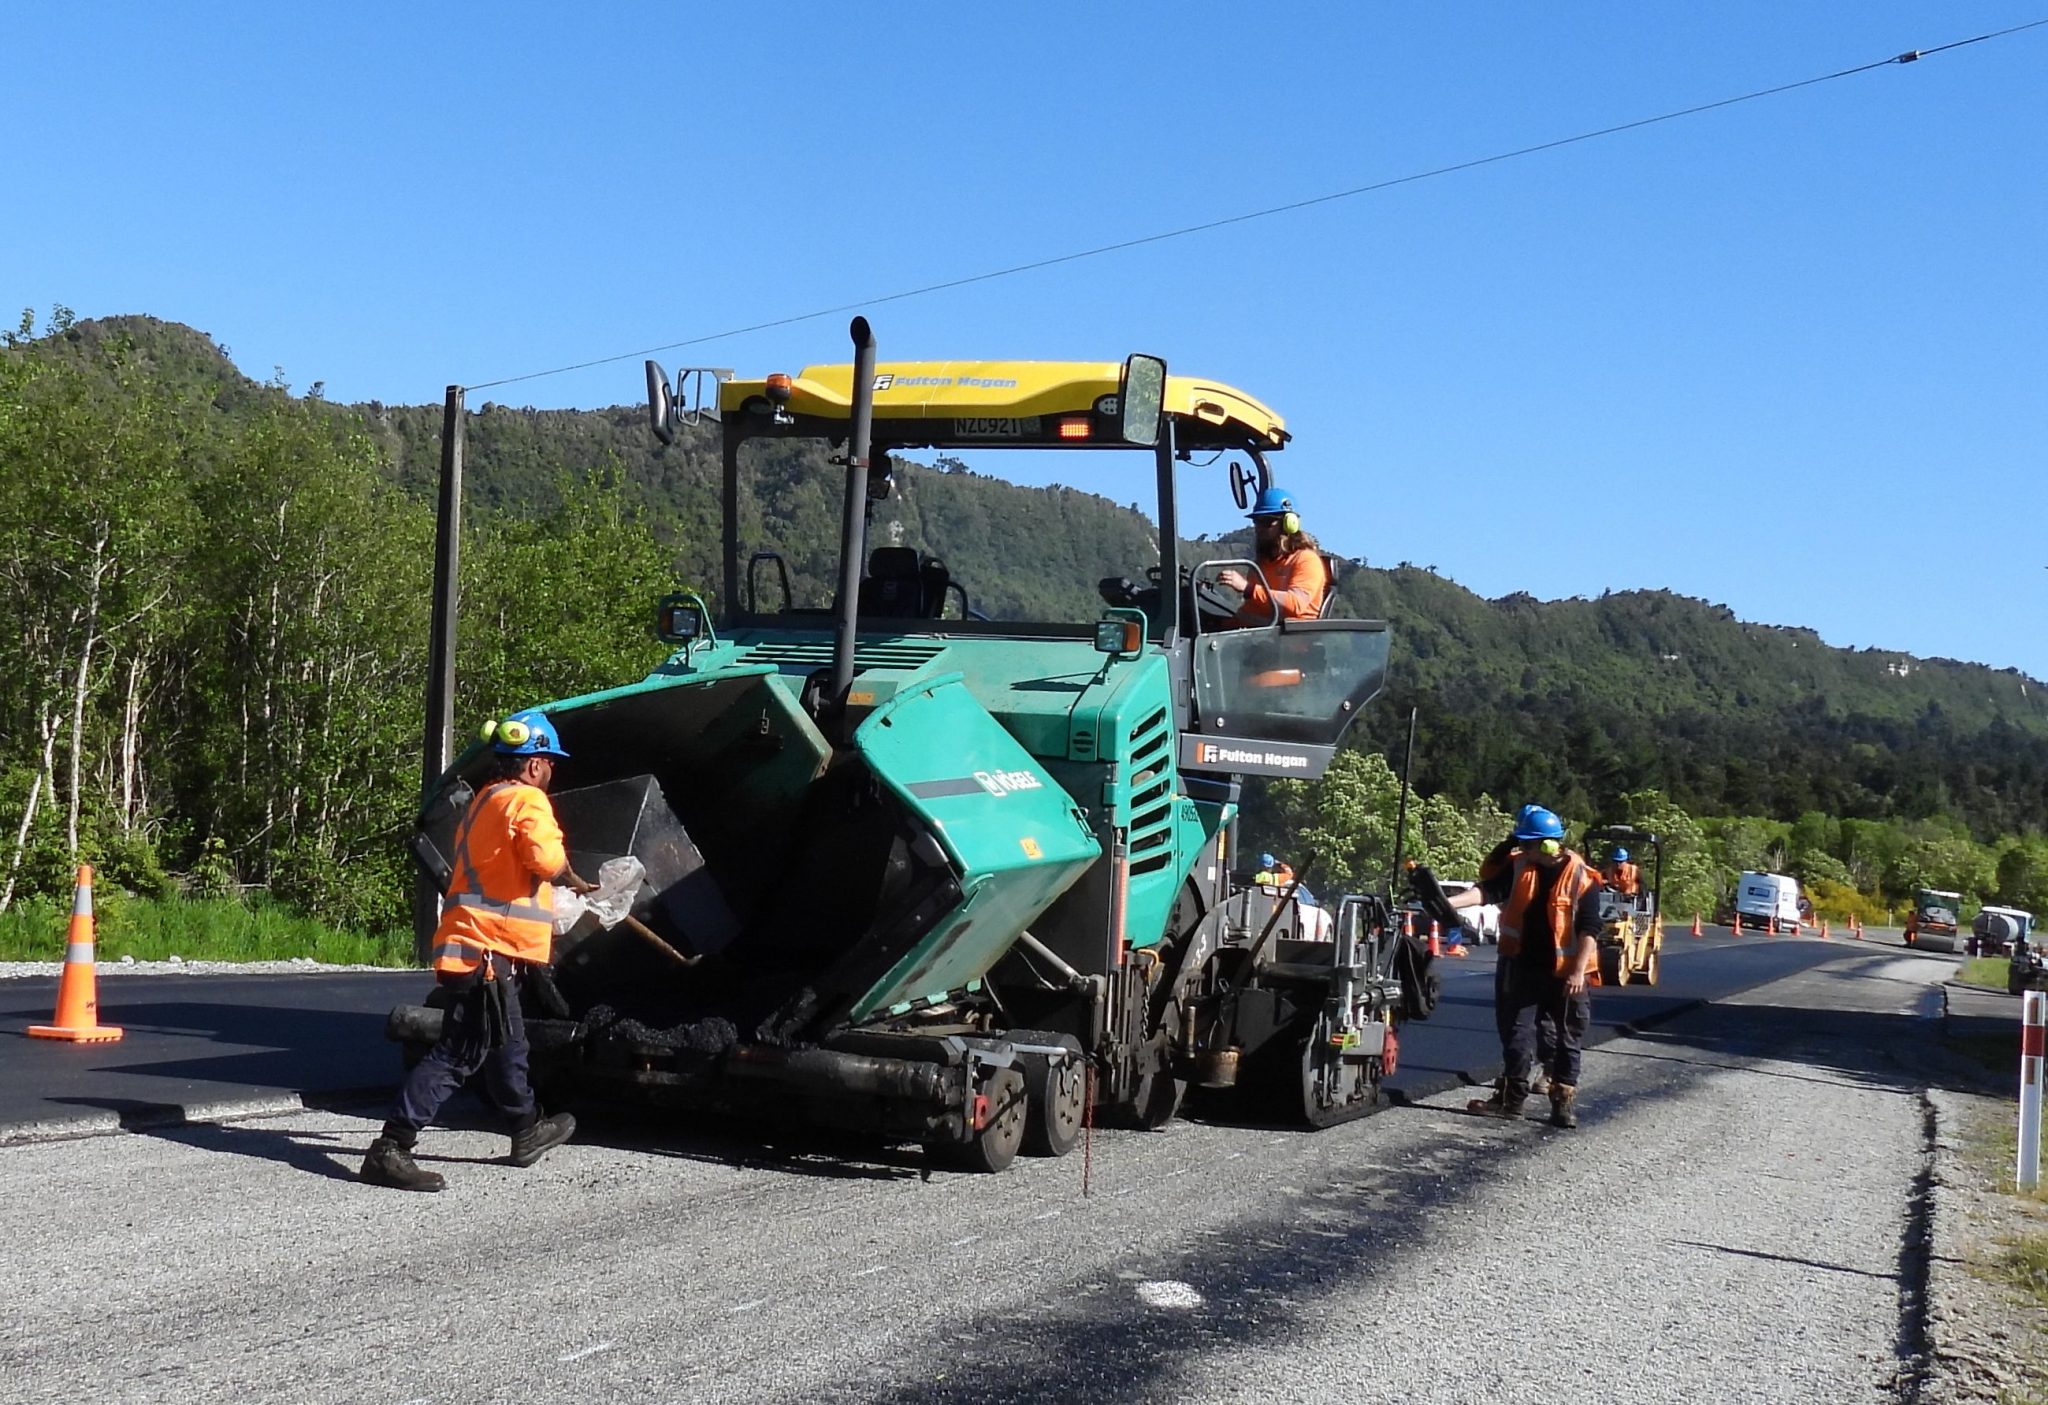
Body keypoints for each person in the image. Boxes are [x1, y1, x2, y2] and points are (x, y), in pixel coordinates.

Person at [360, 709, 596, 1192]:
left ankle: (526, 1128)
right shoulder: (527, 800)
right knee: (459, 1051)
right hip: (484, 950)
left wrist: (563, 881)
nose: (551, 771)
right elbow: (544, 858)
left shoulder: (486, 801)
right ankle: (391, 1147)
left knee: (508, 1042)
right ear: (533, 765)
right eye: (549, 762)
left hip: (476, 945)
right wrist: (566, 872)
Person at [1448, 803, 1603, 1129]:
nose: (1521, 848)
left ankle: (1562, 1105)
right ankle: (1512, 1102)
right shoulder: (1520, 866)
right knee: (1517, 1034)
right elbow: (1488, 890)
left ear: (1544, 844)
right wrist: (1447, 903)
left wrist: (1577, 971)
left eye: (1526, 843)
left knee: (1567, 1039)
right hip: (1524, 967)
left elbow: (1590, 929)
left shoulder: (1582, 878)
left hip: (1566, 975)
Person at [1216, 487, 1329, 625]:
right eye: (1256, 521)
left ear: (1288, 524)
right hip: (1254, 638)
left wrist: (1248, 588)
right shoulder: (1261, 564)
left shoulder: (1306, 560)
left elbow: (1296, 604)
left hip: (1288, 642)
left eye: (1266, 522)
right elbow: (1253, 611)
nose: (1258, 528)